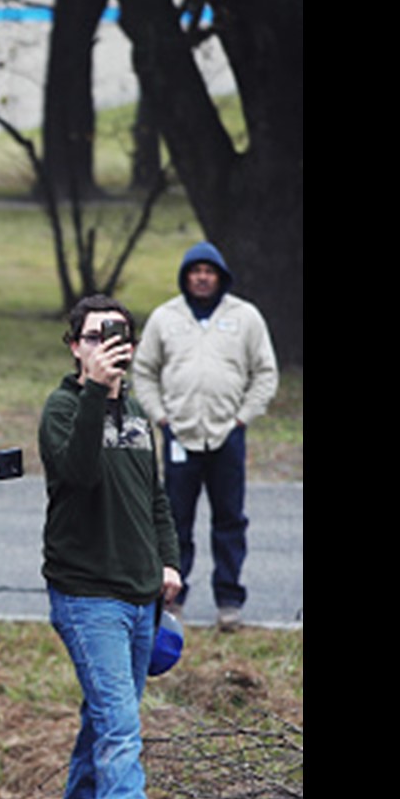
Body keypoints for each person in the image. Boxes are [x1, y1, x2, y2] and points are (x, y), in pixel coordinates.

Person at [41, 294, 182, 799]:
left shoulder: (138, 418)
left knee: (102, 726)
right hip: (86, 595)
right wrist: (97, 391)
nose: (107, 346)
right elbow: (76, 475)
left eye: (118, 335)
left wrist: (168, 564)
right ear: (76, 346)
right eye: (95, 336)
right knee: (121, 725)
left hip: (139, 596)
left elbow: (155, 501)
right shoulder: (64, 407)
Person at [132, 242, 278, 632]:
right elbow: (143, 371)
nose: (201, 277)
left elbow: (265, 373)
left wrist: (243, 419)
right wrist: (161, 418)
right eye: (194, 270)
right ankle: (172, 599)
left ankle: (229, 601)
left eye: (208, 271)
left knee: (229, 519)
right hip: (179, 435)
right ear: (185, 276)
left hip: (227, 437)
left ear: (220, 276)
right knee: (175, 521)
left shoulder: (245, 317)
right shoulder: (166, 318)